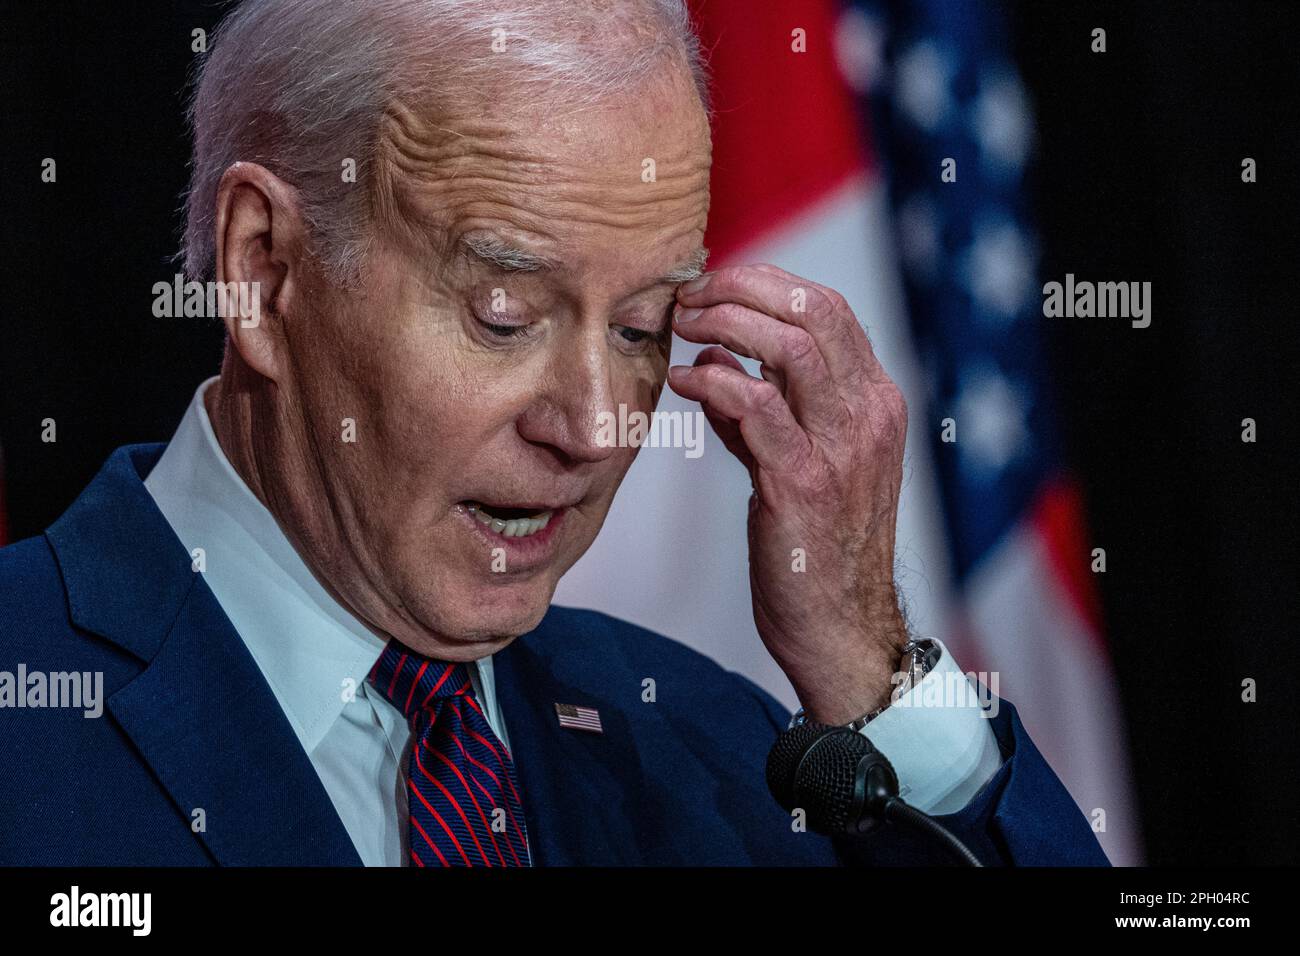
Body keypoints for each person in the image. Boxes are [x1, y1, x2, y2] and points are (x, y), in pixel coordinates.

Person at [0, 0, 1106, 866]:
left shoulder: (718, 753)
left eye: (641, 327)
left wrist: (870, 672)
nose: (592, 423)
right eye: (502, 316)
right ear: (265, 270)